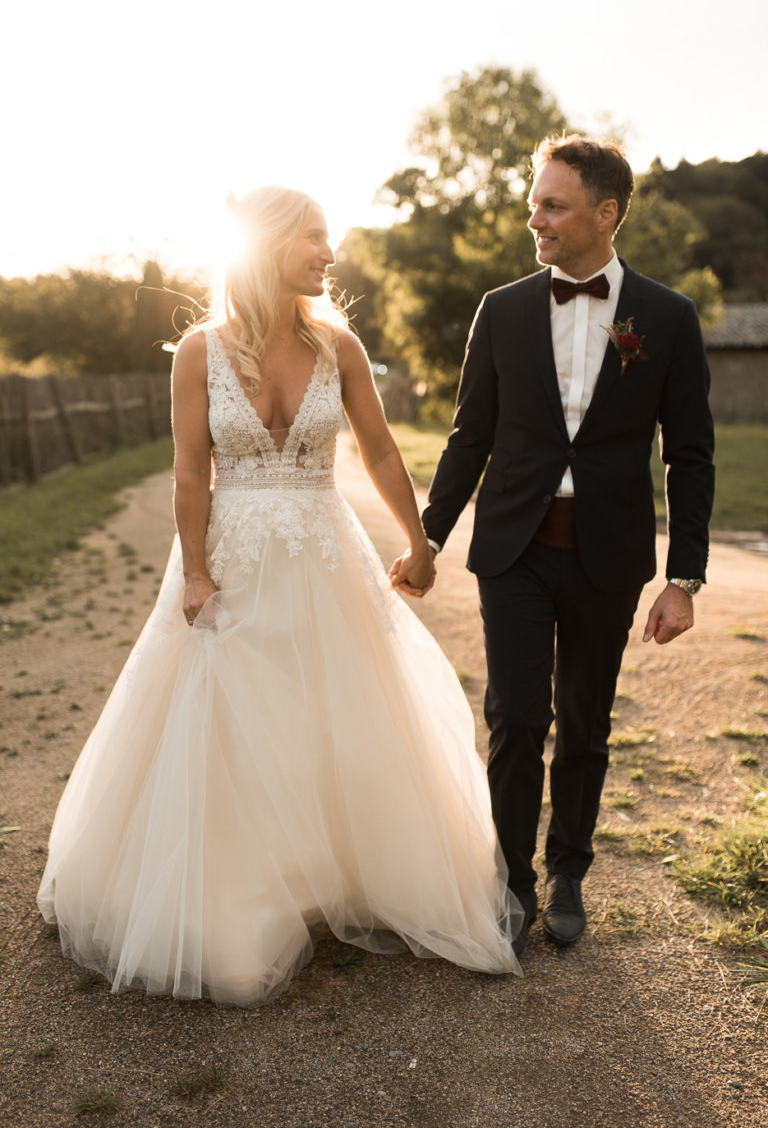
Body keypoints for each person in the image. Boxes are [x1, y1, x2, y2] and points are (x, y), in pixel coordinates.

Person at [37, 186, 523, 1005]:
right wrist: (195, 571)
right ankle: (236, 897)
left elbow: (377, 450)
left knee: (338, 710)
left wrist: (418, 539)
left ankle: (340, 871)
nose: (330, 252)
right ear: (265, 245)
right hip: (230, 557)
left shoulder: (340, 347)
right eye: (314, 236)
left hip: (324, 552)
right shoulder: (197, 350)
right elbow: (192, 471)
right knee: (224, 725)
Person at [393, 136, 715, 956]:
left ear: (605, 214)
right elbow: (470, 436)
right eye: (536, 201)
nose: (533, 218)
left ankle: (568, 870)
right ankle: (510, 883)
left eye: (553, 205)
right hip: (516, 549)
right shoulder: (500, 309)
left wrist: (684, 576)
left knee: (585, 723)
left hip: (608, 556)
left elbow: (690, 451)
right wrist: (427, 536)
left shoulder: (668, 318)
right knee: (514, 717)